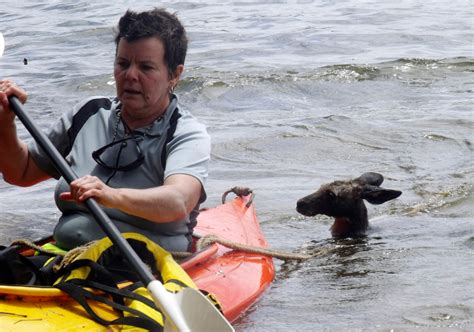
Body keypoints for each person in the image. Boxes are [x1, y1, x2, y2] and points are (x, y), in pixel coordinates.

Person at [0, 8, 210, 252]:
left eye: (146, 67)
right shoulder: (87, 113)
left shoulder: (185, 133)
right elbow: (21, 173)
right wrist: (5, 122)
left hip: (148, 267)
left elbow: (178, 201)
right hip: (71, 258)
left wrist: (110, 195)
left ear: (175, 74)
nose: (130, 75)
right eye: (123, 63)